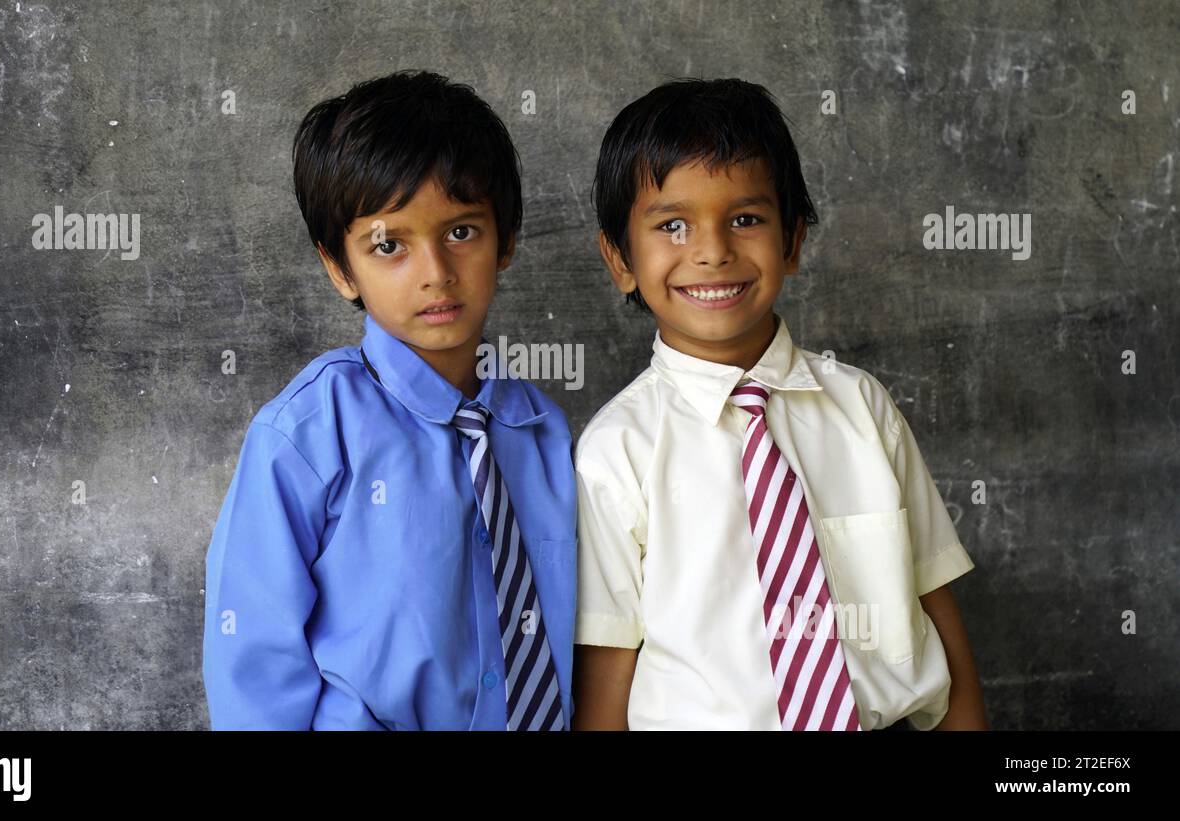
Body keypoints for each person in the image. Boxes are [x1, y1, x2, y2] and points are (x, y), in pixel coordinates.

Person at [572, 78, 986, 731]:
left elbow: (938, 608)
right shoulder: (617, 450)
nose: (711, 251)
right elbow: (607, 676)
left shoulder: (862, 407)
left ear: (792, 240)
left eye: (745, 219)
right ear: (620, 258)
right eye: (673, 225)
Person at [203, 71, 577, 730]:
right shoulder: (306, 435)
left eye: (462, 231)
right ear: (339, 266)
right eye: (389, 244)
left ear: (508, 239)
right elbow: (254, 665)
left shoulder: (543, 432)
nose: (435, 270)